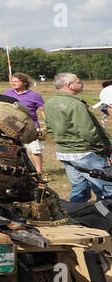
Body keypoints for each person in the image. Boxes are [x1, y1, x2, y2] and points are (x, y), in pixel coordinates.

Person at [46, 73, 112, 203]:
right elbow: (88, 131)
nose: (81, 84)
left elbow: (49, 128)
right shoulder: (75, 104)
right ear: (69, 85)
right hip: (85, 152)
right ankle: (107, 217)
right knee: (106, 189)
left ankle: (76, 216)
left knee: (79, 189)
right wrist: (101, 149)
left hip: (64, 153)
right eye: (79, 81)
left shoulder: (49, 103)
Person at [2, 72, 46, 172]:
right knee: (9, 150)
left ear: (24, 83)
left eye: (16, 81)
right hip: (11, 126)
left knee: (36, 151)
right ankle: (11, 170)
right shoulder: (7, 94)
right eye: (12, 81)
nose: (13, 83)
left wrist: (47, 124)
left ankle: (38, 172)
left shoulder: (35, 95)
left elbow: (42, 110)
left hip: (31, 126)